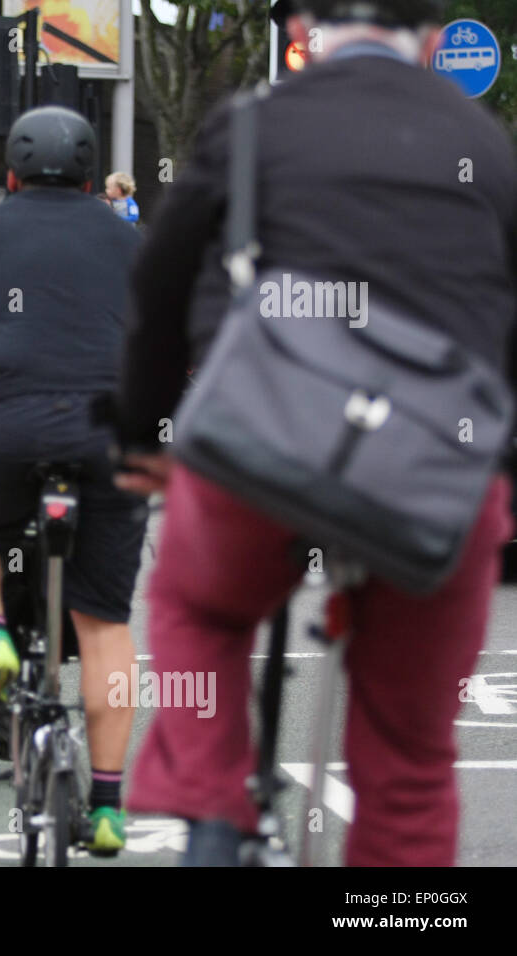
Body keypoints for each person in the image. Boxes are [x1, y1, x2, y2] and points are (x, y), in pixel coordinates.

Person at [112, 0, 517, 866]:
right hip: (432, 473)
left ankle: (215, 817)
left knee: (197, 607)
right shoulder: (484, 145)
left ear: (302, 34)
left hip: (263, 445)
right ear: (439, 42)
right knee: (411, 759)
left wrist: (143, 437)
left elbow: (158, 291)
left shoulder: (251, 127)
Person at [0, 106, 147, 853]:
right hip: (108, 432)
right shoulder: (128, 239)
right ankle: (111, 807)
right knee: (106, 624)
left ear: (11, 176)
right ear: (91, 178)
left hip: (7, 425)